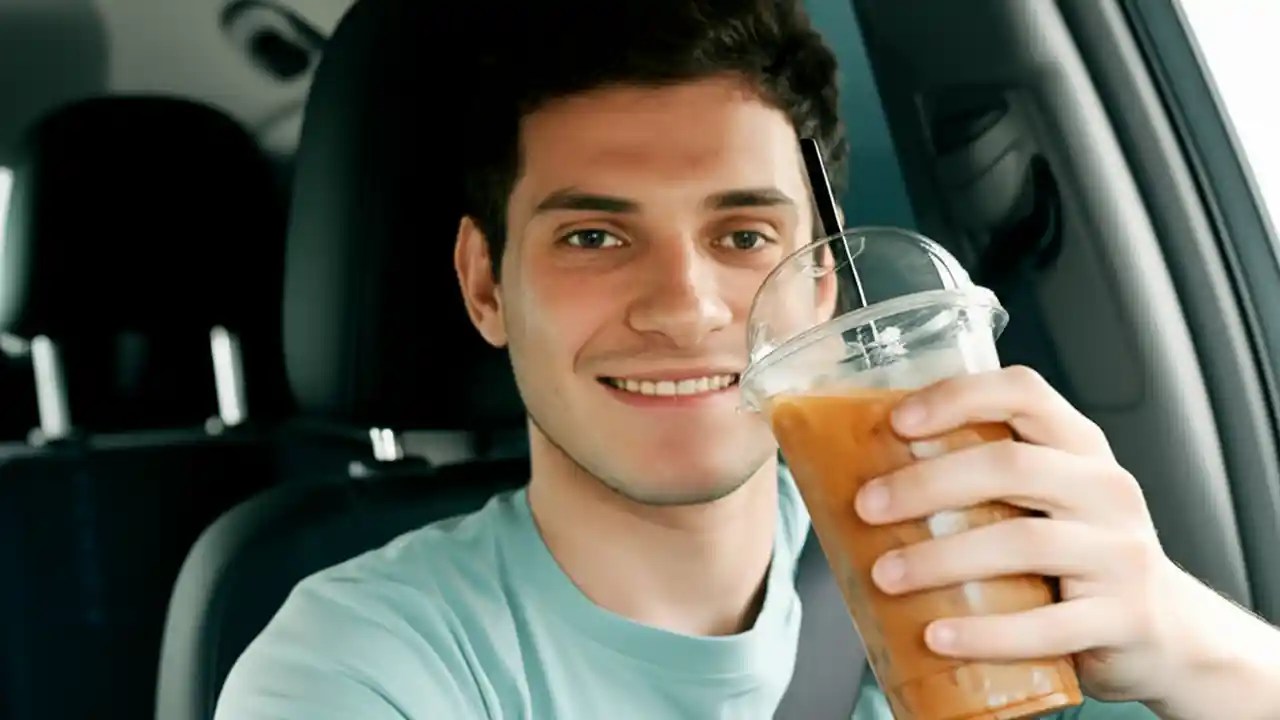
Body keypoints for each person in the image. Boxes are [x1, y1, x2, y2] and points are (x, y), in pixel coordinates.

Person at [213, 1, 1280, 718]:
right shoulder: (358, 665)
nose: (685, 308)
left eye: (742, 237)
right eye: (593, 237)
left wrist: (1184, 640)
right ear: (485, 284)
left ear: (820, 282)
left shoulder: (987, 564)